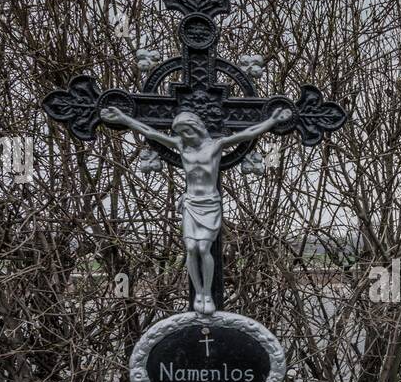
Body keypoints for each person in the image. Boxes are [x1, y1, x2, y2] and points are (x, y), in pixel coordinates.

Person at [99, 104, 292, 313]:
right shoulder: (182, 146)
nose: (186, 136)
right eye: (181, 133)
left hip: (209, 203)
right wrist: (123, 118)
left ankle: (207, 293)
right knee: (191, 249)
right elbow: (150, 132)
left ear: (197, 127)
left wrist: (273, 120)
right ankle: (198, 292)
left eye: (188, 131)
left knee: (203, 248)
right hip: (191, 203)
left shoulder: (216, 145)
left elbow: (248, 133)